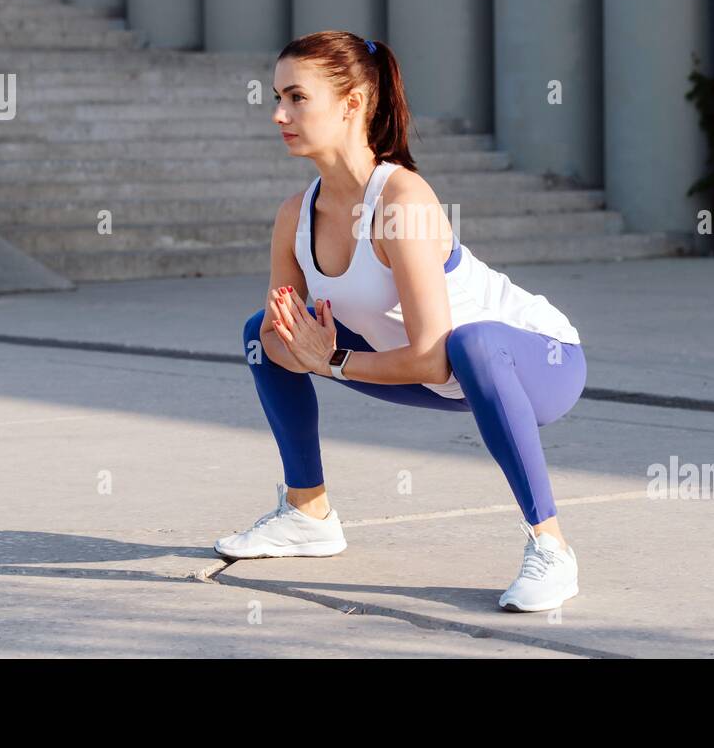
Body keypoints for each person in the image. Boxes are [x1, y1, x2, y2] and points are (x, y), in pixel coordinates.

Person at [217, 30, 587, 612]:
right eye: (276, 97)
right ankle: (308, 512)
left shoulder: (401, 200)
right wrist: (307, 352)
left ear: (352, 104)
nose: (278, 114)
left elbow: (434, 354)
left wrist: (331, 361)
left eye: (295, 97)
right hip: (431, 370)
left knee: (474, 345)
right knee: (258, 337)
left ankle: (552, 548)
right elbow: (271, 334)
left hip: (537, 363)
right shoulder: (295, 216)